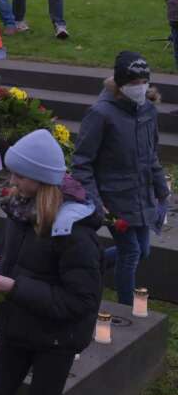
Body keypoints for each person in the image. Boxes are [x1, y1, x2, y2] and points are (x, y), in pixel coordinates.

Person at [0, 129, 102, 395]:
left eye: (20, 175)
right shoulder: (20, 211)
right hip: (19, 325)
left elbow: (79, 300)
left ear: (41, 179)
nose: (12, 180)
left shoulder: (73, 232)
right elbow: (16, 264)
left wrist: (15, 288)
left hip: (56, 337)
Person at [71, 51, 169, 306]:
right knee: (131, 252)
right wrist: (95, 200)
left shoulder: (148, 111)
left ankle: (89, 265)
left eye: (143, 83)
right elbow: (82, 163)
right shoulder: (101, 114)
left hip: (141, 193)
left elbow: (151, 153)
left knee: (143, 251)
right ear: (120, 83)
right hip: (114, 199)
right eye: (133, 84)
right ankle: (127, 310)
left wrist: (162, 190)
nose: (139, 88)